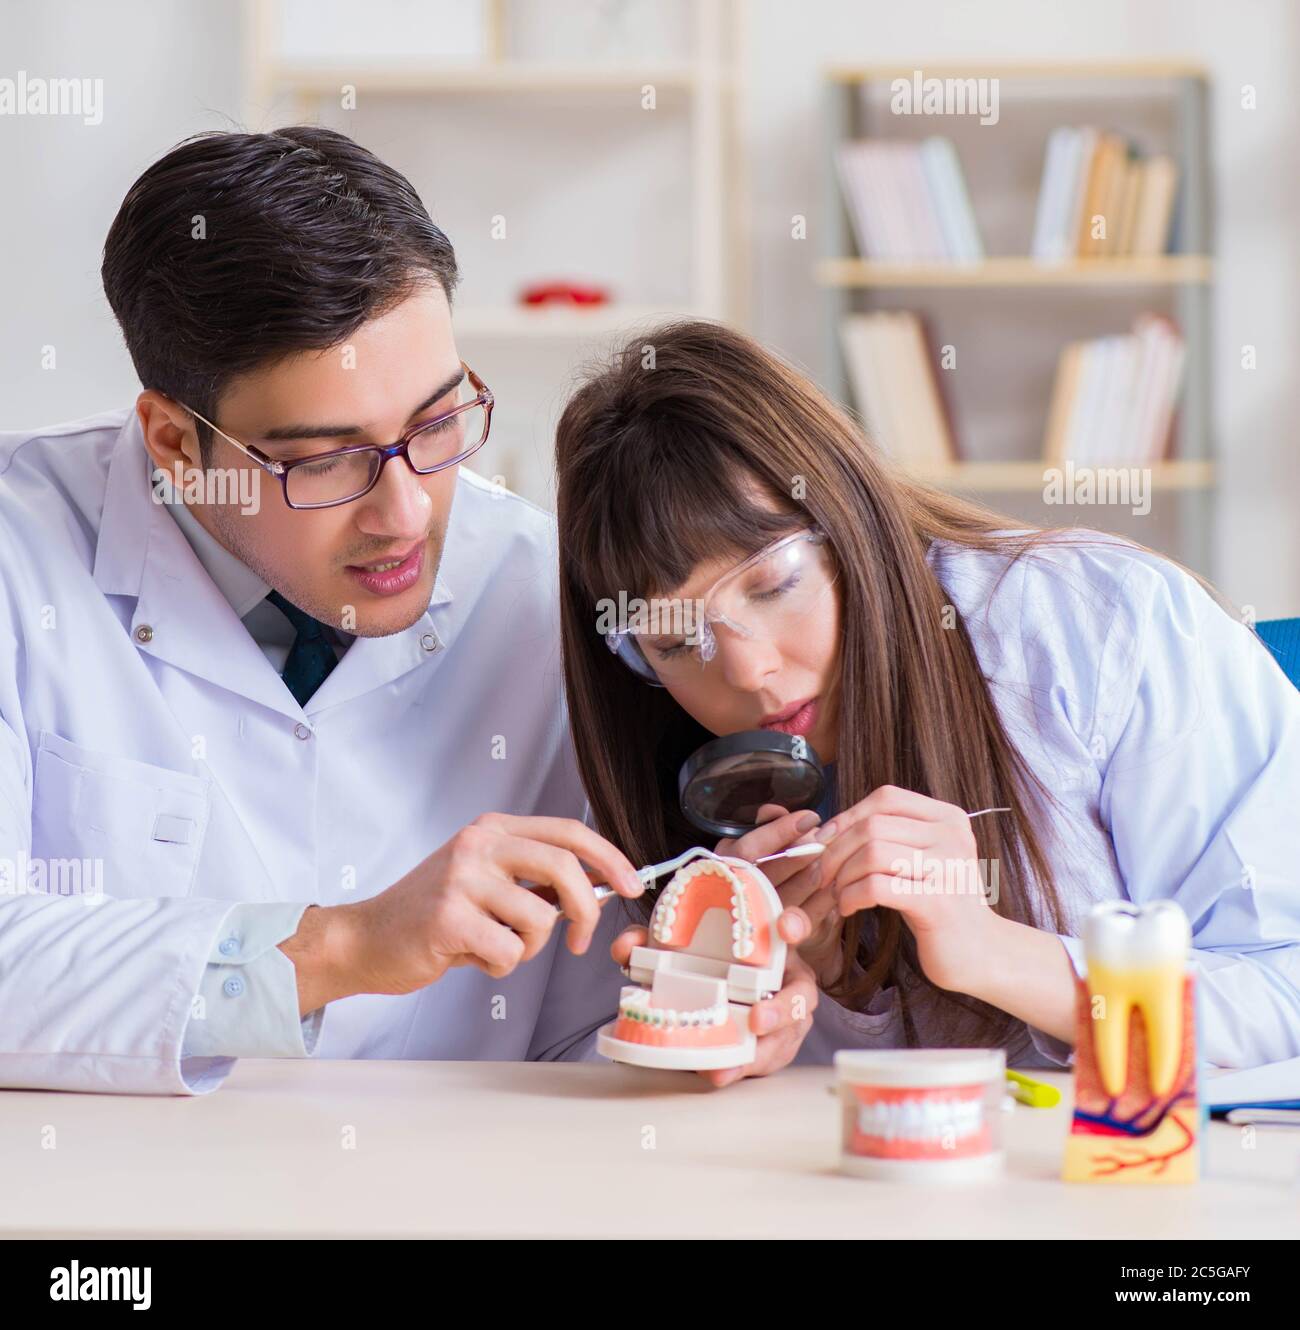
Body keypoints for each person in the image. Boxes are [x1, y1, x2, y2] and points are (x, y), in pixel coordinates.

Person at [0, 125, 667, 1096]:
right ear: (176, 442)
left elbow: (597, 1021)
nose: (403, 514)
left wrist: (719, 992)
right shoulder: (21, 554)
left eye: (436, 424)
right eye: (324, 460)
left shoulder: (538, 582)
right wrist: (338, 946)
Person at [553, 318, 1300, 1071]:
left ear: (852, 523)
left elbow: (1284, 994)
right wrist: (822, 994)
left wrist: (990, 951)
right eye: (676, 642)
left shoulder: (1095, 624)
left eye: (776, 587)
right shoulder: (673, 782)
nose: (748, 673)